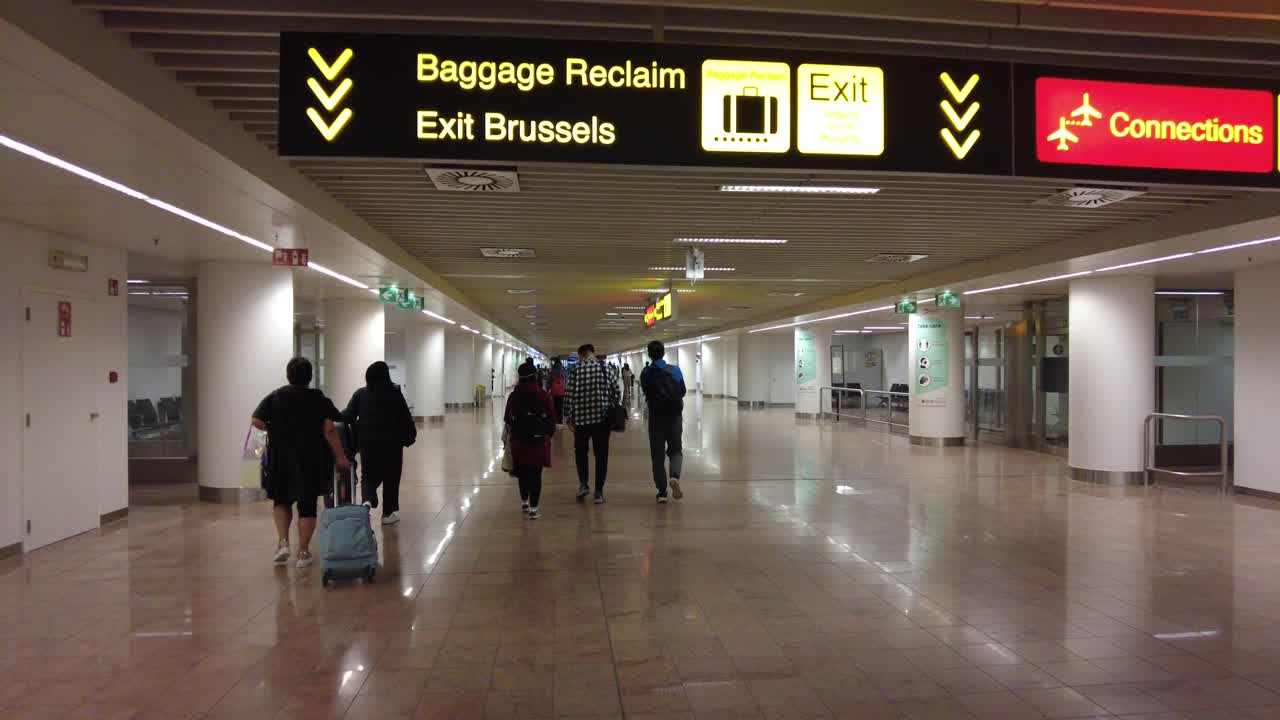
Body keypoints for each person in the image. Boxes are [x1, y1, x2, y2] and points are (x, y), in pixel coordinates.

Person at [251, 357, 349, 569]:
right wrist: (341, 457)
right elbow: (330, 429)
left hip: (281, 457)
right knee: (307, 505)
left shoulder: (275, 396)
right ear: (310, 376)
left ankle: (283, 542)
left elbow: (256, 422)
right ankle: (303, 552)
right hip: (310, 458)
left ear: (288, 375)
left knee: (281, 500)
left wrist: (273, 429)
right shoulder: (318, 398)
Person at [342, 361, 417, 525]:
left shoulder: (360, 394)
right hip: (392, 444)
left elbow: (347, 416)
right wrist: (409, 436)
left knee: (368, 475)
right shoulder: (394, 394)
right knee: (391, 477)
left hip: (367, 443)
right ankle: (388, 514)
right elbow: (405, 417)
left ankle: (367, 500)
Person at [563, 343, 620, 504]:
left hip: (581, 422)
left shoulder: (575, 370)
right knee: (601, 455)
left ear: (581, 355)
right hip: (602, 421)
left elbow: (569, 396)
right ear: (593, 353)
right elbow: (616, 391)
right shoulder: (605, 368)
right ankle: (599, 492)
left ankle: (583, 485)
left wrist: (568, 417)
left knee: (581, 453)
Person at [504, 362, 556, 519]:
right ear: (535, 376)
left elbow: (507, 418)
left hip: (519, 441)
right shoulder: (543, 394)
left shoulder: (514, 396)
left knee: (522, 472)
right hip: (538, 441)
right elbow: (552, 419)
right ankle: (534, 508)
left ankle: (524, 501)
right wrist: (547, 434)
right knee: (535, 474)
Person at [640, 340, 687, 504]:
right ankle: (674, 476)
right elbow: (682, 391)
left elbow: (646, 392)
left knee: (658, 456)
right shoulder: (675, 370)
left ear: (649, 354)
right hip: (674, 417)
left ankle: (662, 492)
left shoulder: (645, 373)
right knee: (676, 450)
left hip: (656, 419)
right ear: (664, 352)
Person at [549, 359, 567, 423]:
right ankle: (560, 419)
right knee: (561, 404)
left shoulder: (552, 370)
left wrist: (550, 388)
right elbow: (565, 380)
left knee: (555, 404)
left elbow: (550, 381)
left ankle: (555, 417)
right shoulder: (563, 370)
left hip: (554, 390)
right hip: (561, 390)